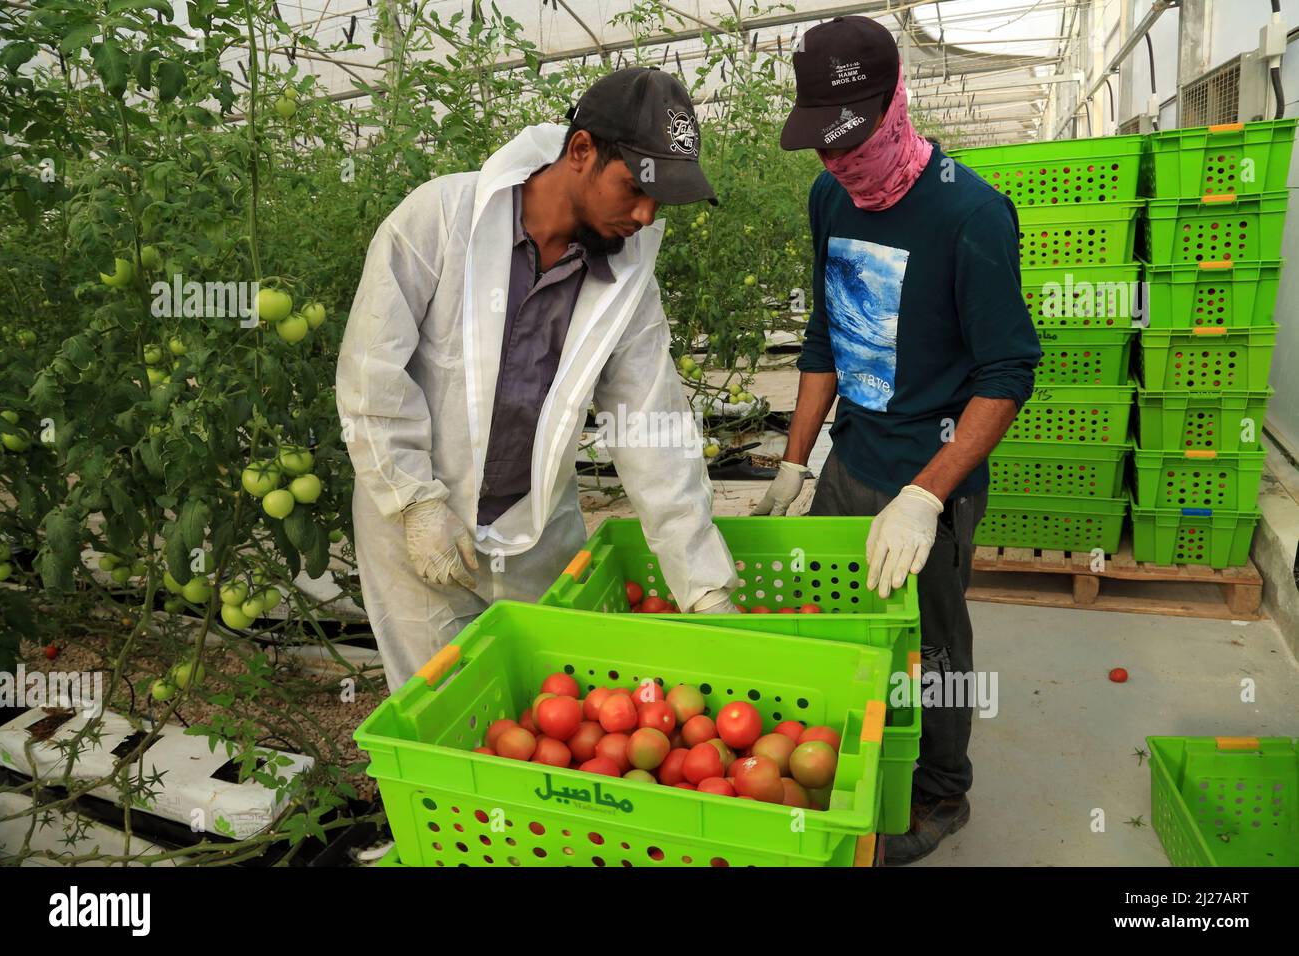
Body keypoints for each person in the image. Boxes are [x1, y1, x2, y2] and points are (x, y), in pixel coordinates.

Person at [337, 68, 739, 692]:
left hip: (537, 537)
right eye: (635, 188)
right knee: (440, 710)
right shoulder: (440, 220)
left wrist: (703, 585)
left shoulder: (628, 282)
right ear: (581, 152)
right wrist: (415, 502)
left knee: (540, 713)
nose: (646, 214)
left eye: (661, 201)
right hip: (417, 531)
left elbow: (652, 432)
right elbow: (372, 372)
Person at [755, 16, 1041, 865]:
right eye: (822, 149)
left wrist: (928, 494)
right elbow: (826, 337)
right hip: (852, 458)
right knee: (840, 625)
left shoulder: (971, 212)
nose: (837, 163)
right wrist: (795, 461)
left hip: (931, 474)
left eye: (850, 144)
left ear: (896, 107)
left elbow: (1007, 373)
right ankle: (862, 759)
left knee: (937, 644)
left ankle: (942, 793)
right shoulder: (829, 198)